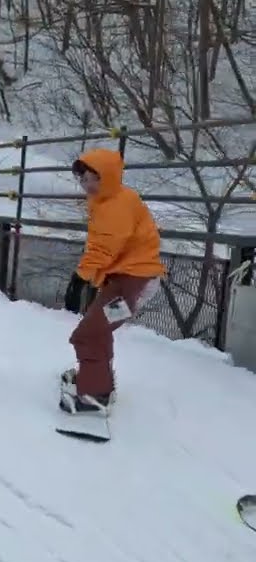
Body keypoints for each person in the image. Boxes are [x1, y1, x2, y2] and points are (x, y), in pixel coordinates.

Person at [60, 149, 165, 415]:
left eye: (90, 178)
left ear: (103, 175)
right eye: (81, 180)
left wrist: (80, 279)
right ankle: (98, 383)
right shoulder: (110, 199)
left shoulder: (115, 205)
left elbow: (104, 248)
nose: (86, 185)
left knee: (88, 334)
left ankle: (94, 395)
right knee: (98, 330)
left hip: (133, 281)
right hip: (127, 277)